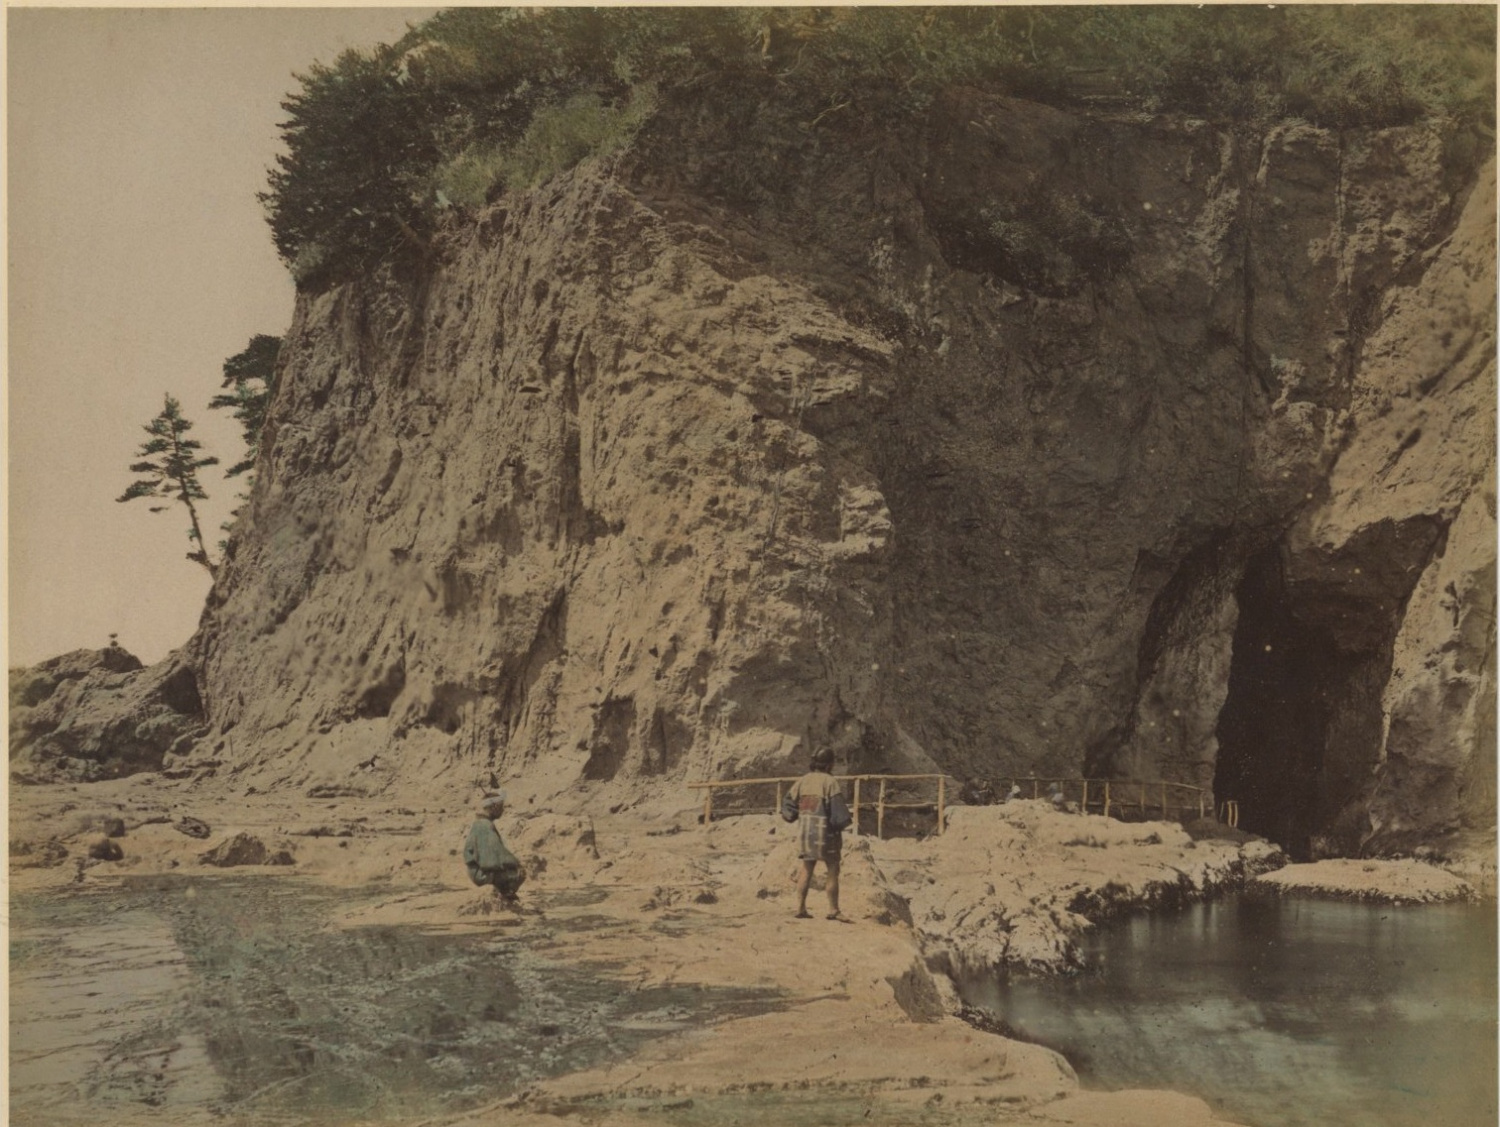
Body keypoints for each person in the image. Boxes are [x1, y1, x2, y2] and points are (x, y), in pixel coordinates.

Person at [780, 747, 851, 920]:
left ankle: (800, 908)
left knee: (806, 869)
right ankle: (833, 910)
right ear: (829, 765)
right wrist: (841, 825)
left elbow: (788, 805)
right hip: (826, 834)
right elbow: (838, 812)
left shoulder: (803, 780)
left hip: (806, 833)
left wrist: (798, 816)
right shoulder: (830, 782)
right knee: (833, 869)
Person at [464, 791, 525, 905]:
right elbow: (490, 860)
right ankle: (506, 896)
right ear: (495, 807)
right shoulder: (485, 826)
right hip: (480, 874)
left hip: (478, 870)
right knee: (518, 873)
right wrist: (515, 862)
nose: (502, 810)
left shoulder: (481, 824)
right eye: (501, 807)